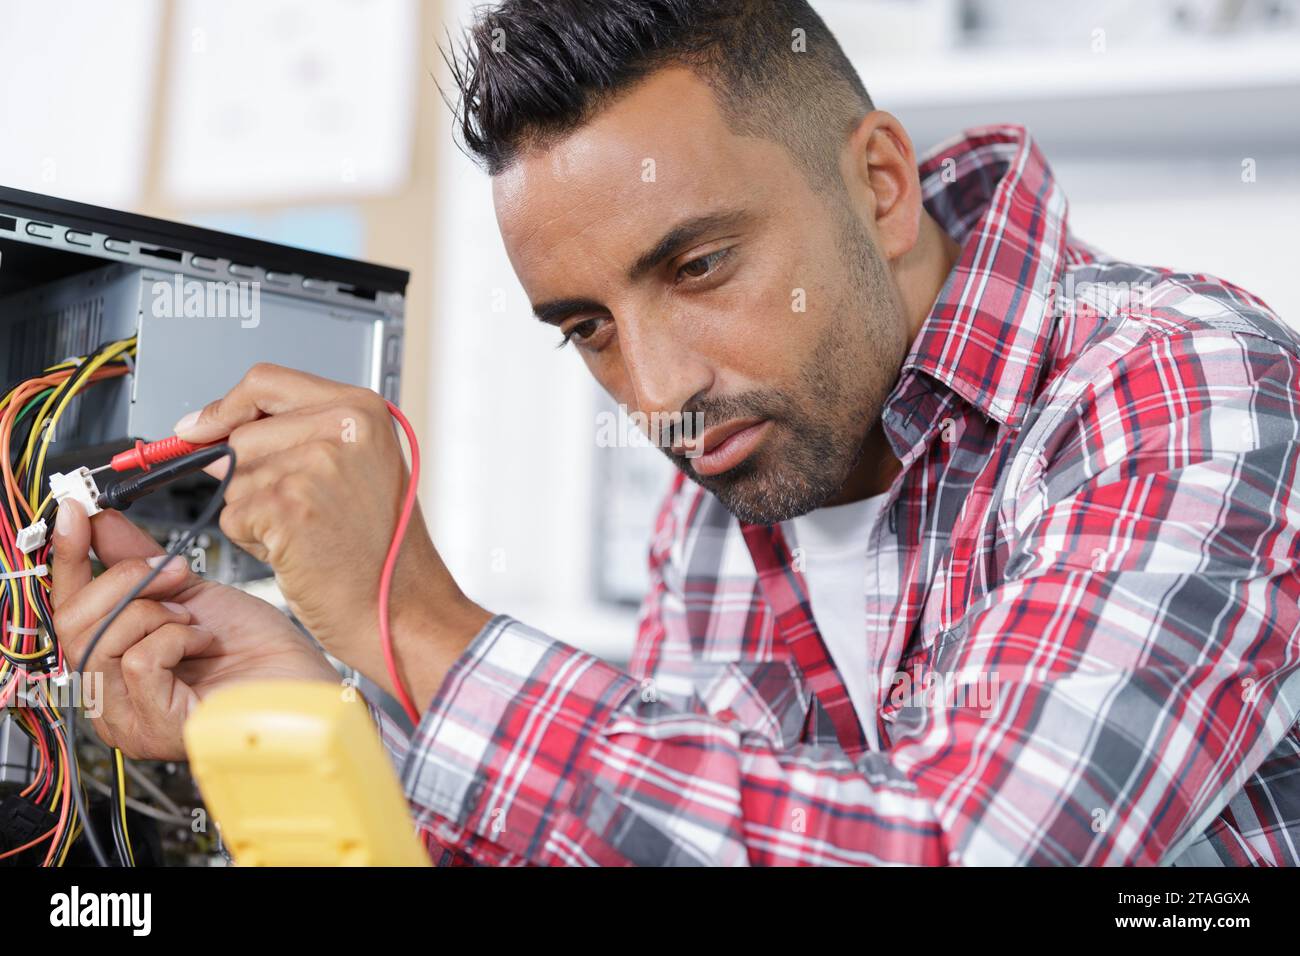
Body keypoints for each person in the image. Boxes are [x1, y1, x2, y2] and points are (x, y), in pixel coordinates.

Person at [53, 0, 1300, 866]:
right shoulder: (724, 490)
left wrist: (422, 625)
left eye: (700, 265)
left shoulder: (1177, 386)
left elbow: (962, 842)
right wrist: (310, 701)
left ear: (877, 183)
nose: (656, 389)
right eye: (586, 325)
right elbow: (685, 831)